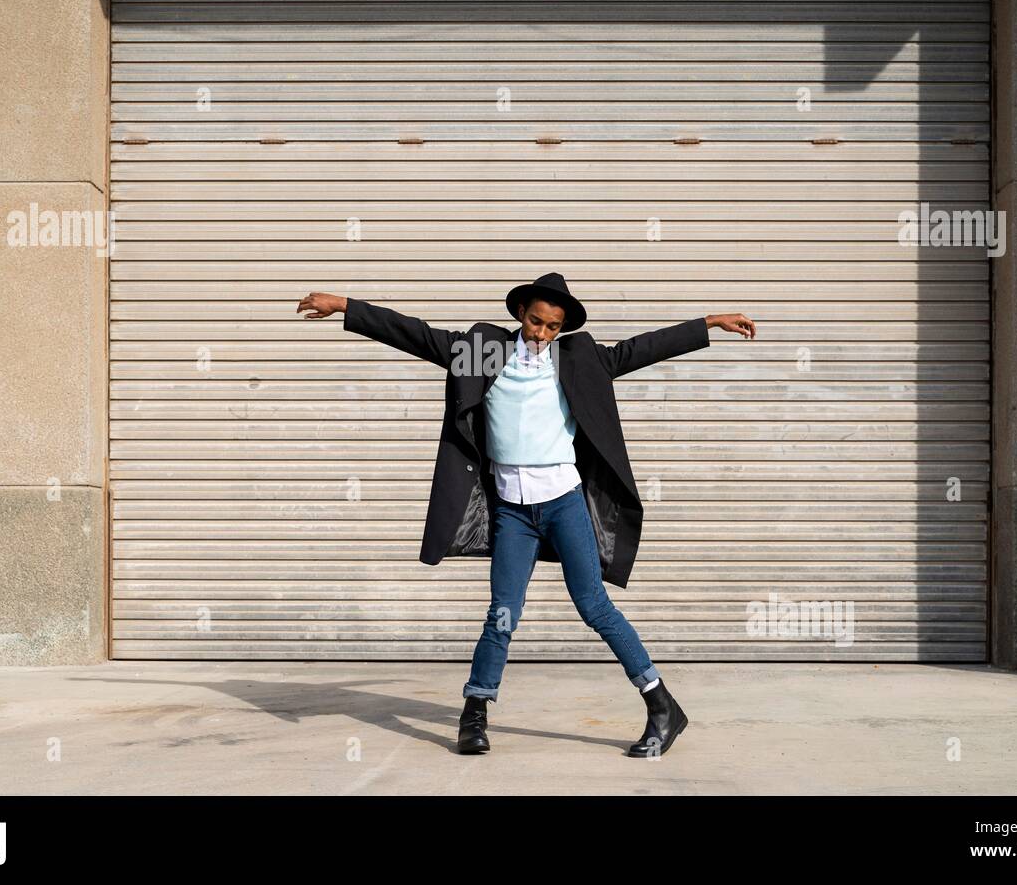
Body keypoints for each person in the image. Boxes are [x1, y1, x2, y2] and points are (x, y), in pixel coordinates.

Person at [298, 274, 756, 757]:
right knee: (502, 614)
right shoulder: (486, 352)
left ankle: (662, 704)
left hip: (564, 503)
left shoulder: (576, 358)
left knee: (594, 607)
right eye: (536, 321)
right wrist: (347, 306)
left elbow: (641, 349)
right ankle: (474, 712)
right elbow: (415, 333)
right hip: (512, 513)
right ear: (521, 315)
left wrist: (708, 323)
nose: (541, 334)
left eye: (552, 327)